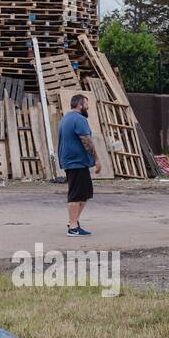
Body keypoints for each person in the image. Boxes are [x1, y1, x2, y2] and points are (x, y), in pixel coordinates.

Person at [57, 93, 102, 236]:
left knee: (84, 194)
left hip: (74, 162)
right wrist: (97, 159)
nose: (88, 107)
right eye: (86, 104)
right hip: (76, 162)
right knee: (76, 195)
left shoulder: (66, 118)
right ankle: (73, 227)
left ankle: (73, 221)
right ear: (80, 105)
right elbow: (86, 141)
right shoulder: (79, 119)